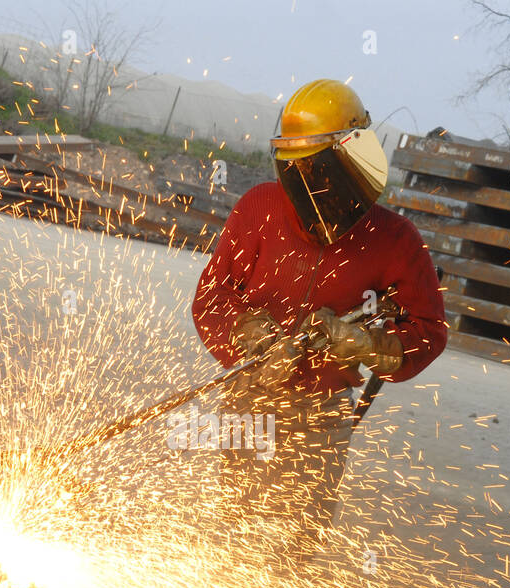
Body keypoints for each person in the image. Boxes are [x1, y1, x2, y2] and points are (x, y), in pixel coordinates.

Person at [190, 78, 448, 559]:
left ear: (352, 159)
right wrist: (251, 337)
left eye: (321, 173)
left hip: (322, 409)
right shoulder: (260, 210)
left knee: (297, 537)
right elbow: (212, 296)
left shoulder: (396, 239)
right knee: (237, 527)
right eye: (303, 173)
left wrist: (364, 344)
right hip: (251, 393)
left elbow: (428, 332)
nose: (313, 188)